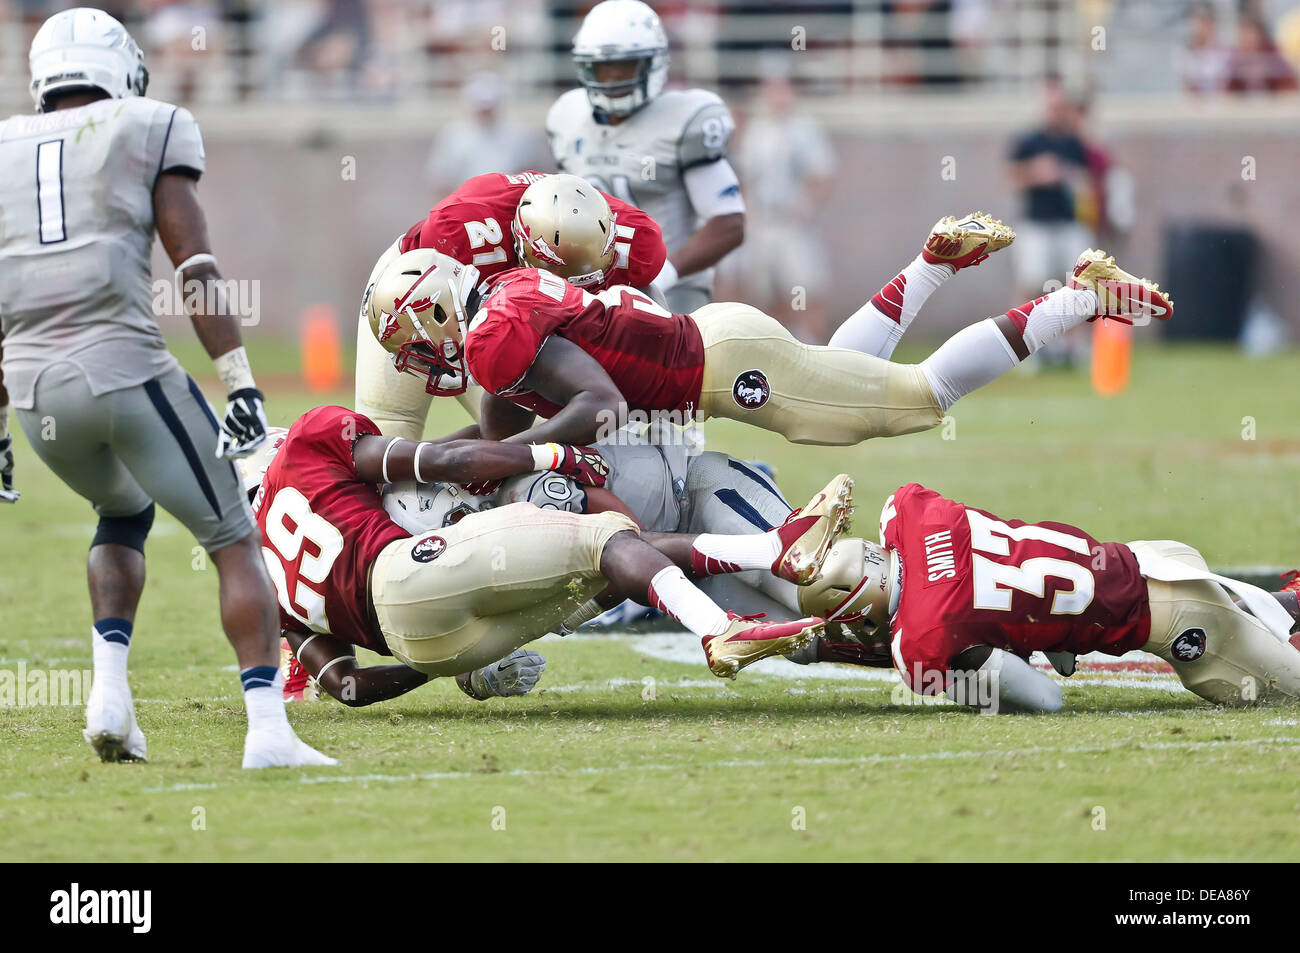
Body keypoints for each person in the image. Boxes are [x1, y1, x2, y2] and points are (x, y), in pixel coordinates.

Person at [0, 8, 331, 768]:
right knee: (233, 536)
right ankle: (268, 734)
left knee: (120, 508)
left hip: (35, 393)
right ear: (120, 72)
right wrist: (240, 381)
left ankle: (109, 698)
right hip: (121, 369)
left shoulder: (6, 145)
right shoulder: (150, 123)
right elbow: (194, 265)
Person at [372, 220, 1170, 453]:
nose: (410, 359)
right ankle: (925, 266)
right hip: (717, 339)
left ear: (437, 312)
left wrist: (519, 453)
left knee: (921, 399)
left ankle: (1076, 300)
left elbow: (601, 401)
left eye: (408, 339)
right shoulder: (507, 292)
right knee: (840, 375)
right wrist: (481, 448)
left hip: (722, 369)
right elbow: (520, 404)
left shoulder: (493, 335)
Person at [241, 402, 854, 705]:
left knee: (598, 580)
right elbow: (446, 458)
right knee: (606, 540)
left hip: (429, 645)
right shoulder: (308, 442)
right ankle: (770, 556)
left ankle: (805, 609)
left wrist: (435, 667)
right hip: (412, 568)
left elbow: (348, 686)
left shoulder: (266, 580)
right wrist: (552, 454)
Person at [872, 482, 1300, 712]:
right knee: (1245, 625)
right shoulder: (910, 509)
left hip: (1183, 625)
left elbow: (1045, 698)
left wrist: (969, 681)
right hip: (1153, 556)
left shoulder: (921, 638)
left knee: (1287, 689)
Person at [354, 172, 667, 437]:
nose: (560, 288)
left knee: (561, 432)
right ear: (520, 243)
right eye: (554, 277)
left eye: (576, 280)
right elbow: (433, 299)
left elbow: (653, 321)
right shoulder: (462, 237)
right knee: (393, 424)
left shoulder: (637, 244)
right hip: (418, 294)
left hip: (513, 311)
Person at [547, 0, 746, 313]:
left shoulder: (684, 119)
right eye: (602, 68)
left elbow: (729, 223)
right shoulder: (567, 117)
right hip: (593, 299)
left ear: (652, 64)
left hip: (671, 299)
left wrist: (664, 273)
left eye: (624, 67)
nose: (612, 80)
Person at [732, 70, 837, 341]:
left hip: (793, 224)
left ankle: (817, 352)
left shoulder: (805, 129)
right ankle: (780, 354)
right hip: (763, 224)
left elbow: (822, 174)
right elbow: (745, 178)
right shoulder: (756, 132)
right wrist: (749, 213)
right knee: (768, 296)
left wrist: (803, 208)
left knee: (806, 290)